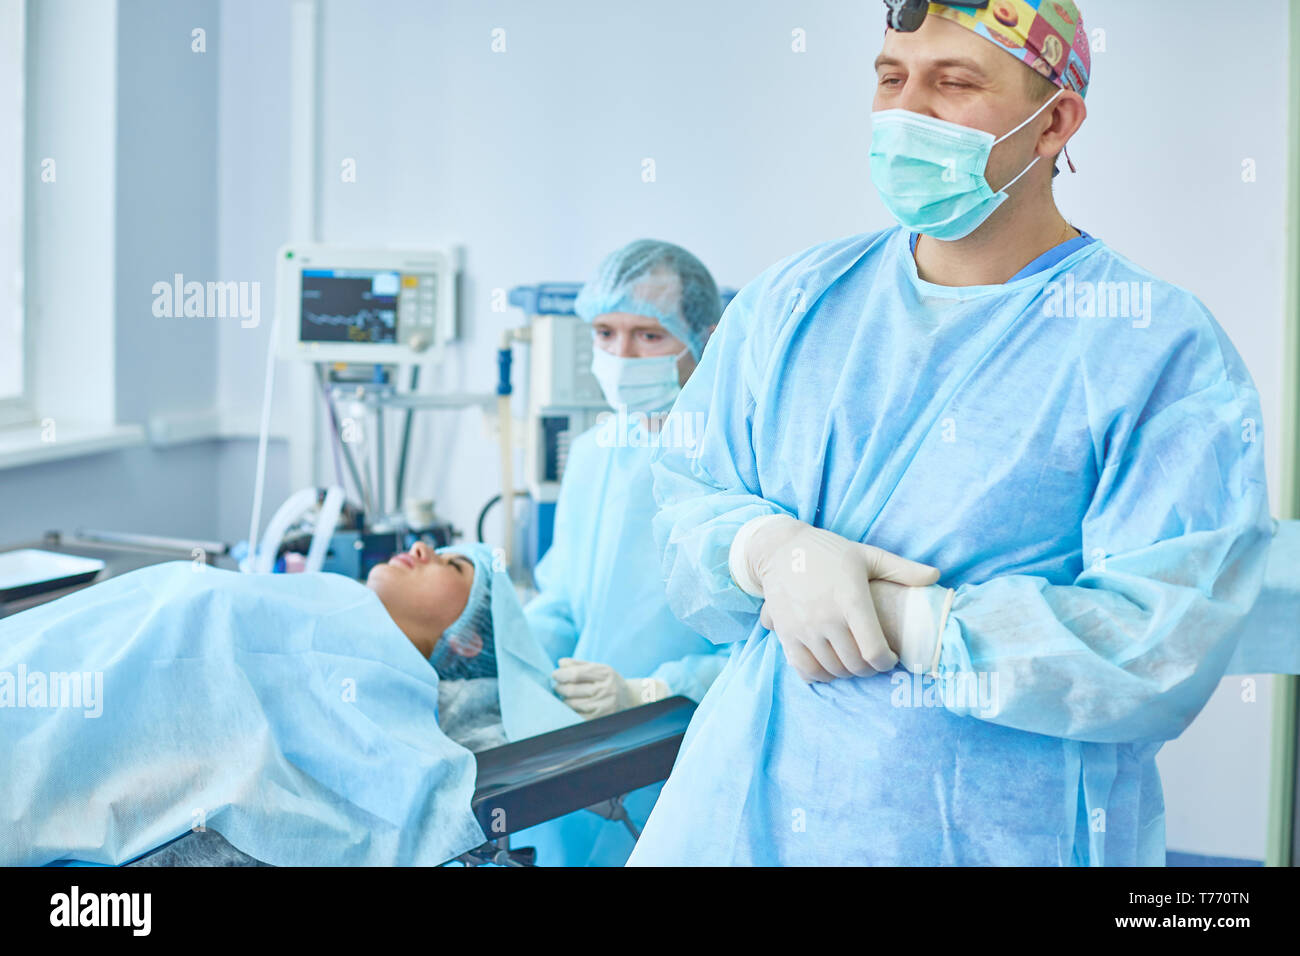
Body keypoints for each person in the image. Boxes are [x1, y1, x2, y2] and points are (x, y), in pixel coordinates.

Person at [629, 2, 1272, 866]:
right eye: (892, 79)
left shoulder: (1153, 346)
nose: (908, 111)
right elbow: (684, 504)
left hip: (989, 833)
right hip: (740, 815)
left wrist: (920, 628)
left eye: (954, 83)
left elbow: (1160, 646)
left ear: (1057, 123)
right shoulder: (793, 304)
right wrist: (763, 549)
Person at [515, 239, 731, 866]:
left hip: (688, 747)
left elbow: (768, 651)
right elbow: (564, 601)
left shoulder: (740, 463)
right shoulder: (595, 454)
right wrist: (510, 651)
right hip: (582, 750)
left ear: (705, 338)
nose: (621, 356)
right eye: (605, 333)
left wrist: (650, 690)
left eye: (649, 336)